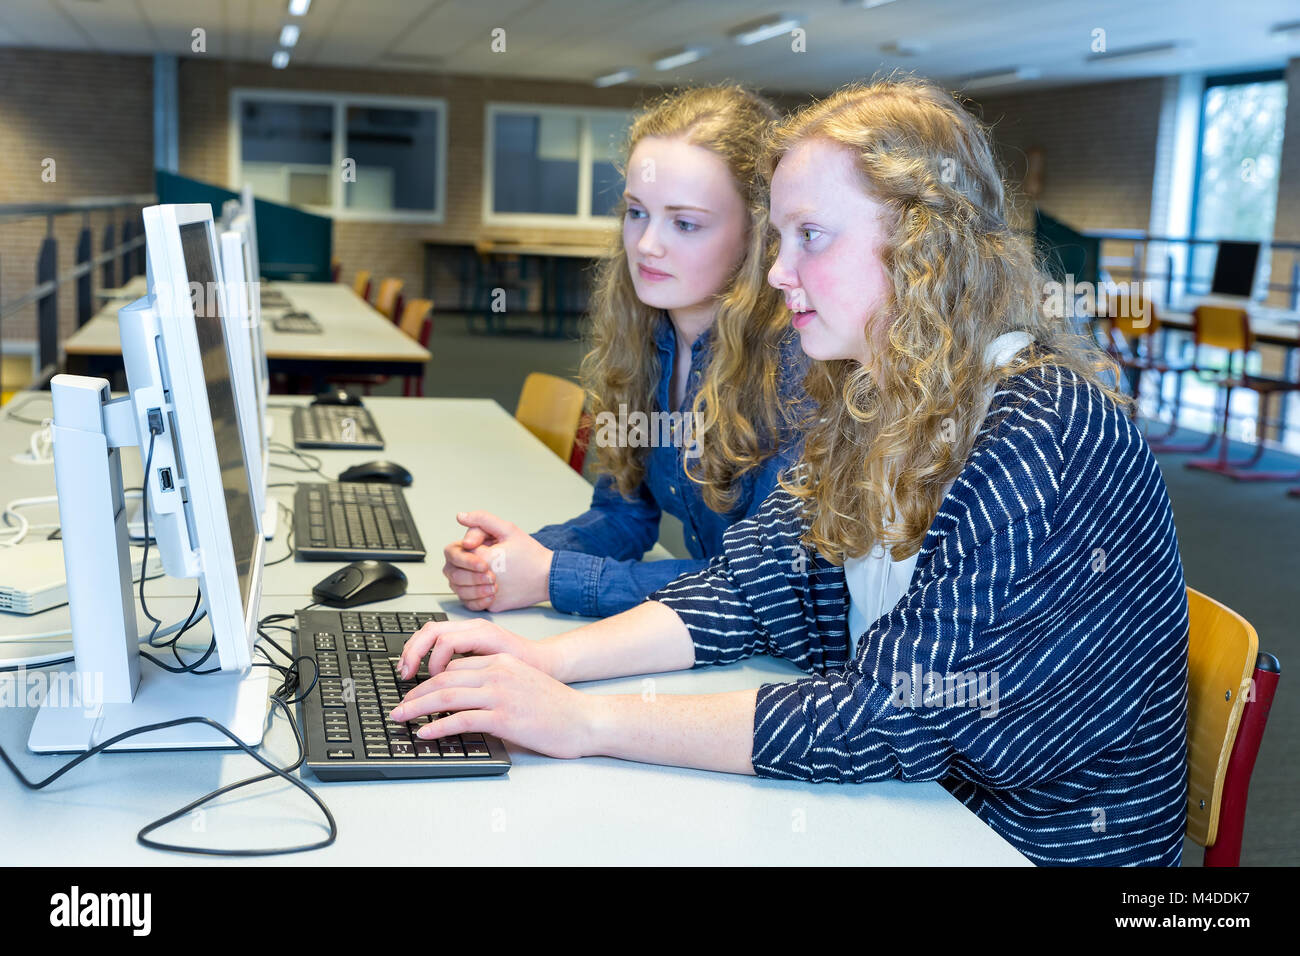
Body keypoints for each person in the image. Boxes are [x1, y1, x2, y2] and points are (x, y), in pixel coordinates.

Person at [396, 77, 1190, 866]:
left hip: (1027, 843)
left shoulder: (1042, 428)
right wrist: (547, 662)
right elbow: (752, 587)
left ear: (925, 248)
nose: (776, 272)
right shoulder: (872, 393)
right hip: (925, 806)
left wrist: (587, 722)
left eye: (811, 236)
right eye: (778, 238)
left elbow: (892, 715)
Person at [443, 85, 807, 618]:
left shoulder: (795, 370)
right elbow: (623, 514)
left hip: (785, 667)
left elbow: (760, 588)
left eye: (684, 223)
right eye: (637, 213)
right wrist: (519, 555)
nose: (646, 244)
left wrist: (551, 577)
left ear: (759, 235)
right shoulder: (646, 341)